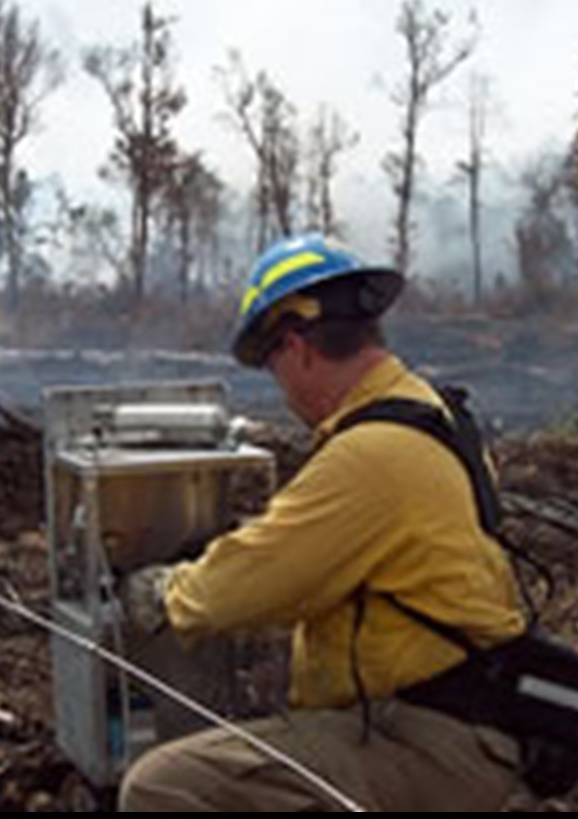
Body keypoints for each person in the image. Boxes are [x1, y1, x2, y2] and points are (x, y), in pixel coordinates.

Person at [117, 233, 530, 812]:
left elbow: (250, 582)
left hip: (424, 742)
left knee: (162, 784)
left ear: (297, 348)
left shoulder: (373, 453)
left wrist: (163, 594)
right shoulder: (431, 414)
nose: (280, 386)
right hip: (467, 727)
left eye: (273, 367)